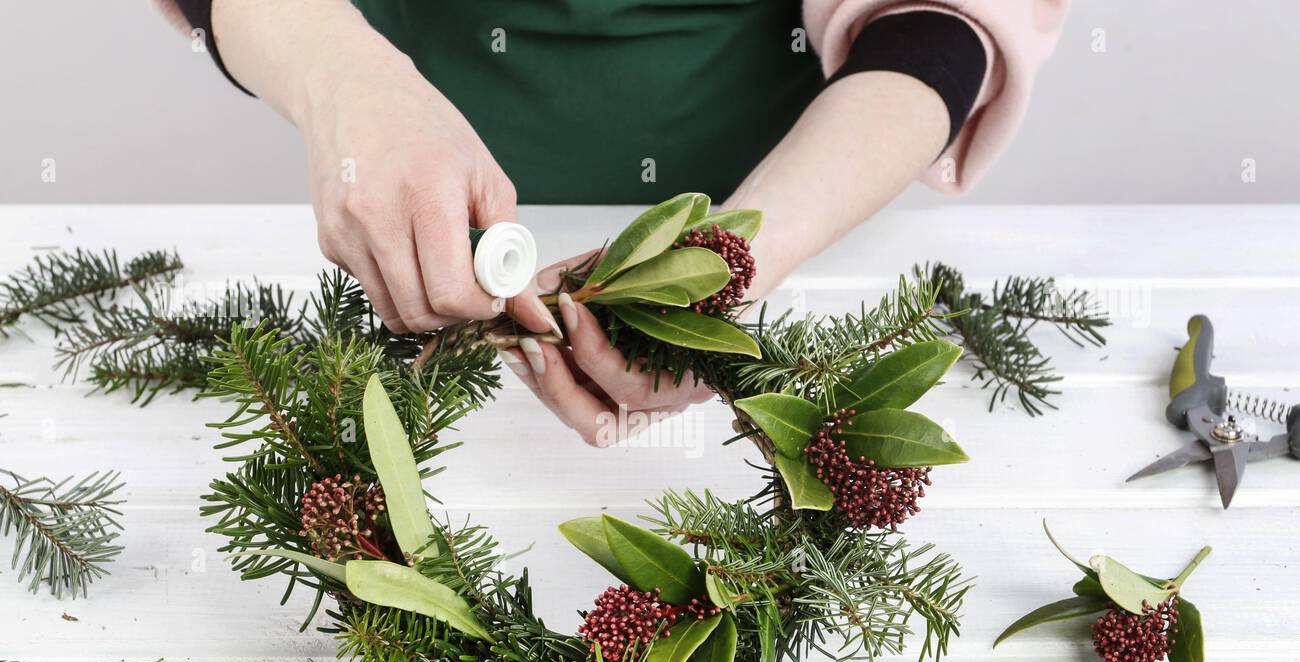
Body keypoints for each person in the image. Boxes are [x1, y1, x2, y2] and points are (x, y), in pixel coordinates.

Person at [157, 0, 1066, 444]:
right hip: (406, 129)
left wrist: (737, 256)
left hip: (795, 177)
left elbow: (939, 31)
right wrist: (343, 82)